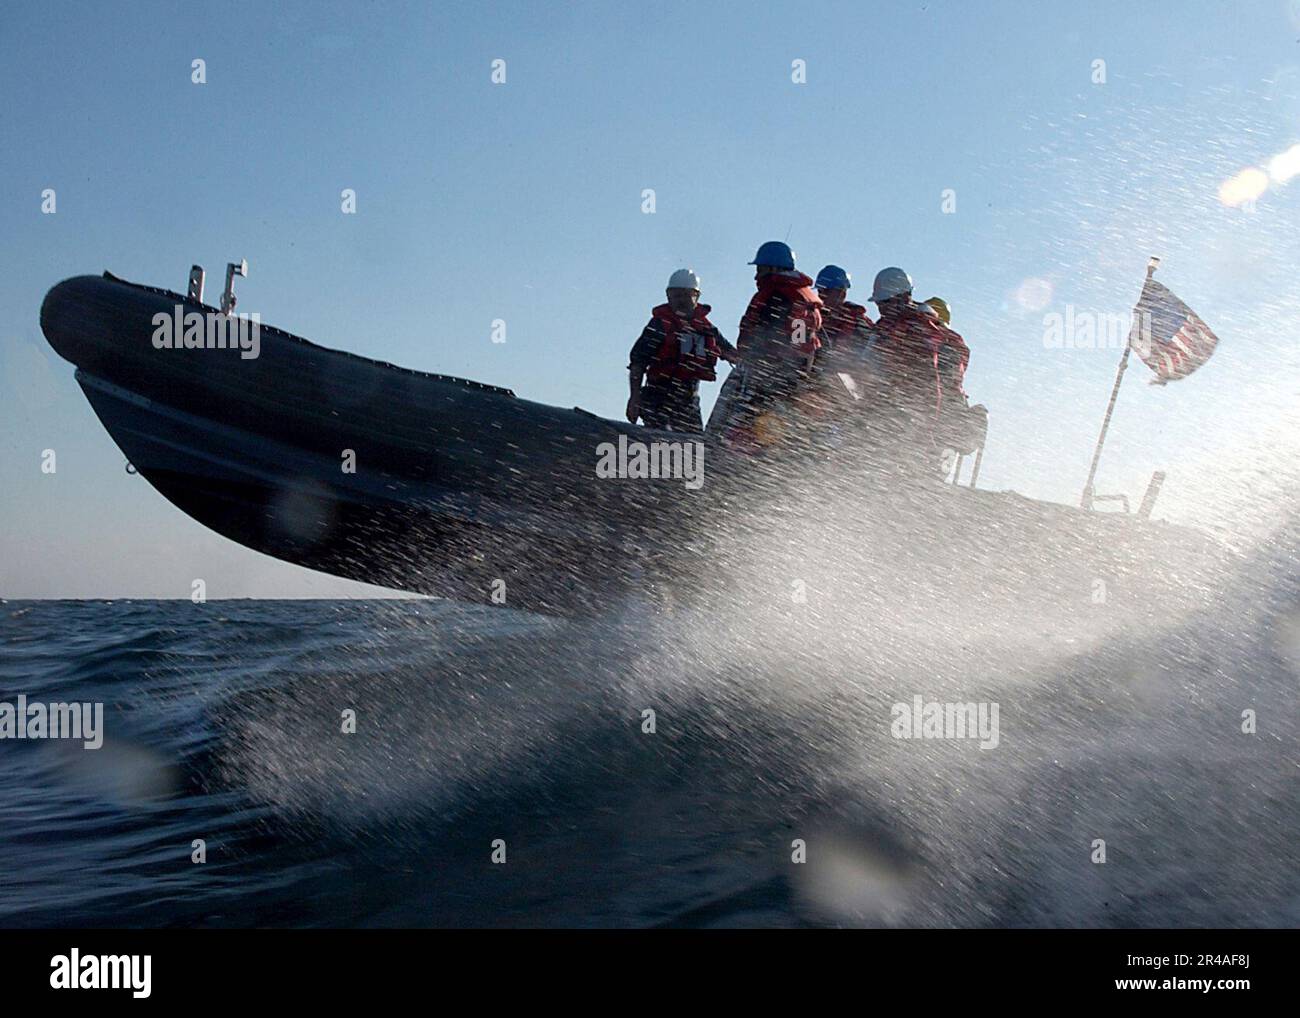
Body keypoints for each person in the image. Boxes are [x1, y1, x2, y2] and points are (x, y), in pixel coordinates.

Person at [865, 268, 974, 471]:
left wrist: (922, 435)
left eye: (885, 301)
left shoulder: (917, 332)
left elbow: (929, 387)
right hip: (883, 412)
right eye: (879, 302)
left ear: (904, 297)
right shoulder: (884, 328)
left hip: (904, 421)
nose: (881, 307)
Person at [627, 268, 737, 432]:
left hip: (688, 400)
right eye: (676, 295)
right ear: (668, 296)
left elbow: (733, 355)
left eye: (687, 295)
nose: (681, 300)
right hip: (657, 396)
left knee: (693, 447)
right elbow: (638, 363)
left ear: (697, 296)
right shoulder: (659, 325)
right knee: (660, 438)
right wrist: (634, 398)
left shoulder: (707, 329)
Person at [815, 265, 874, 354]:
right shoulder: (813, 316)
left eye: (826, 291)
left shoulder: (858, 322)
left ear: (842, 292)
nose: (821, 295)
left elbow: (870, 350)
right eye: (819, 291)